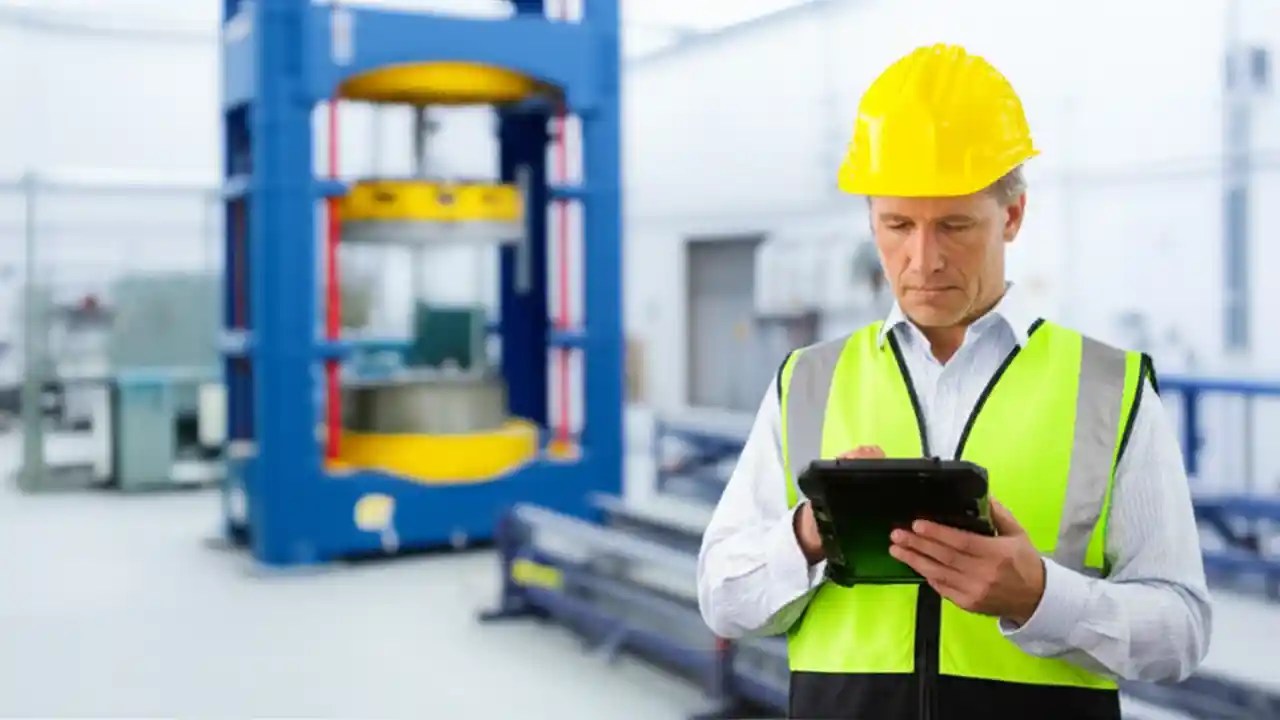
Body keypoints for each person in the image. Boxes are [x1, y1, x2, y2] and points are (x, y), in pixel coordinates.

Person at [695, 43, 1211, 720]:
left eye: (956, 226)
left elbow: (1181, 632)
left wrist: (1039, 597)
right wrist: (809, 533)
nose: (923, 259)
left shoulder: (1106, 388)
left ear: (1014, 215)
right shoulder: (808, 381)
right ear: (870, 219)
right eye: (898, 225)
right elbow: (722, 597)